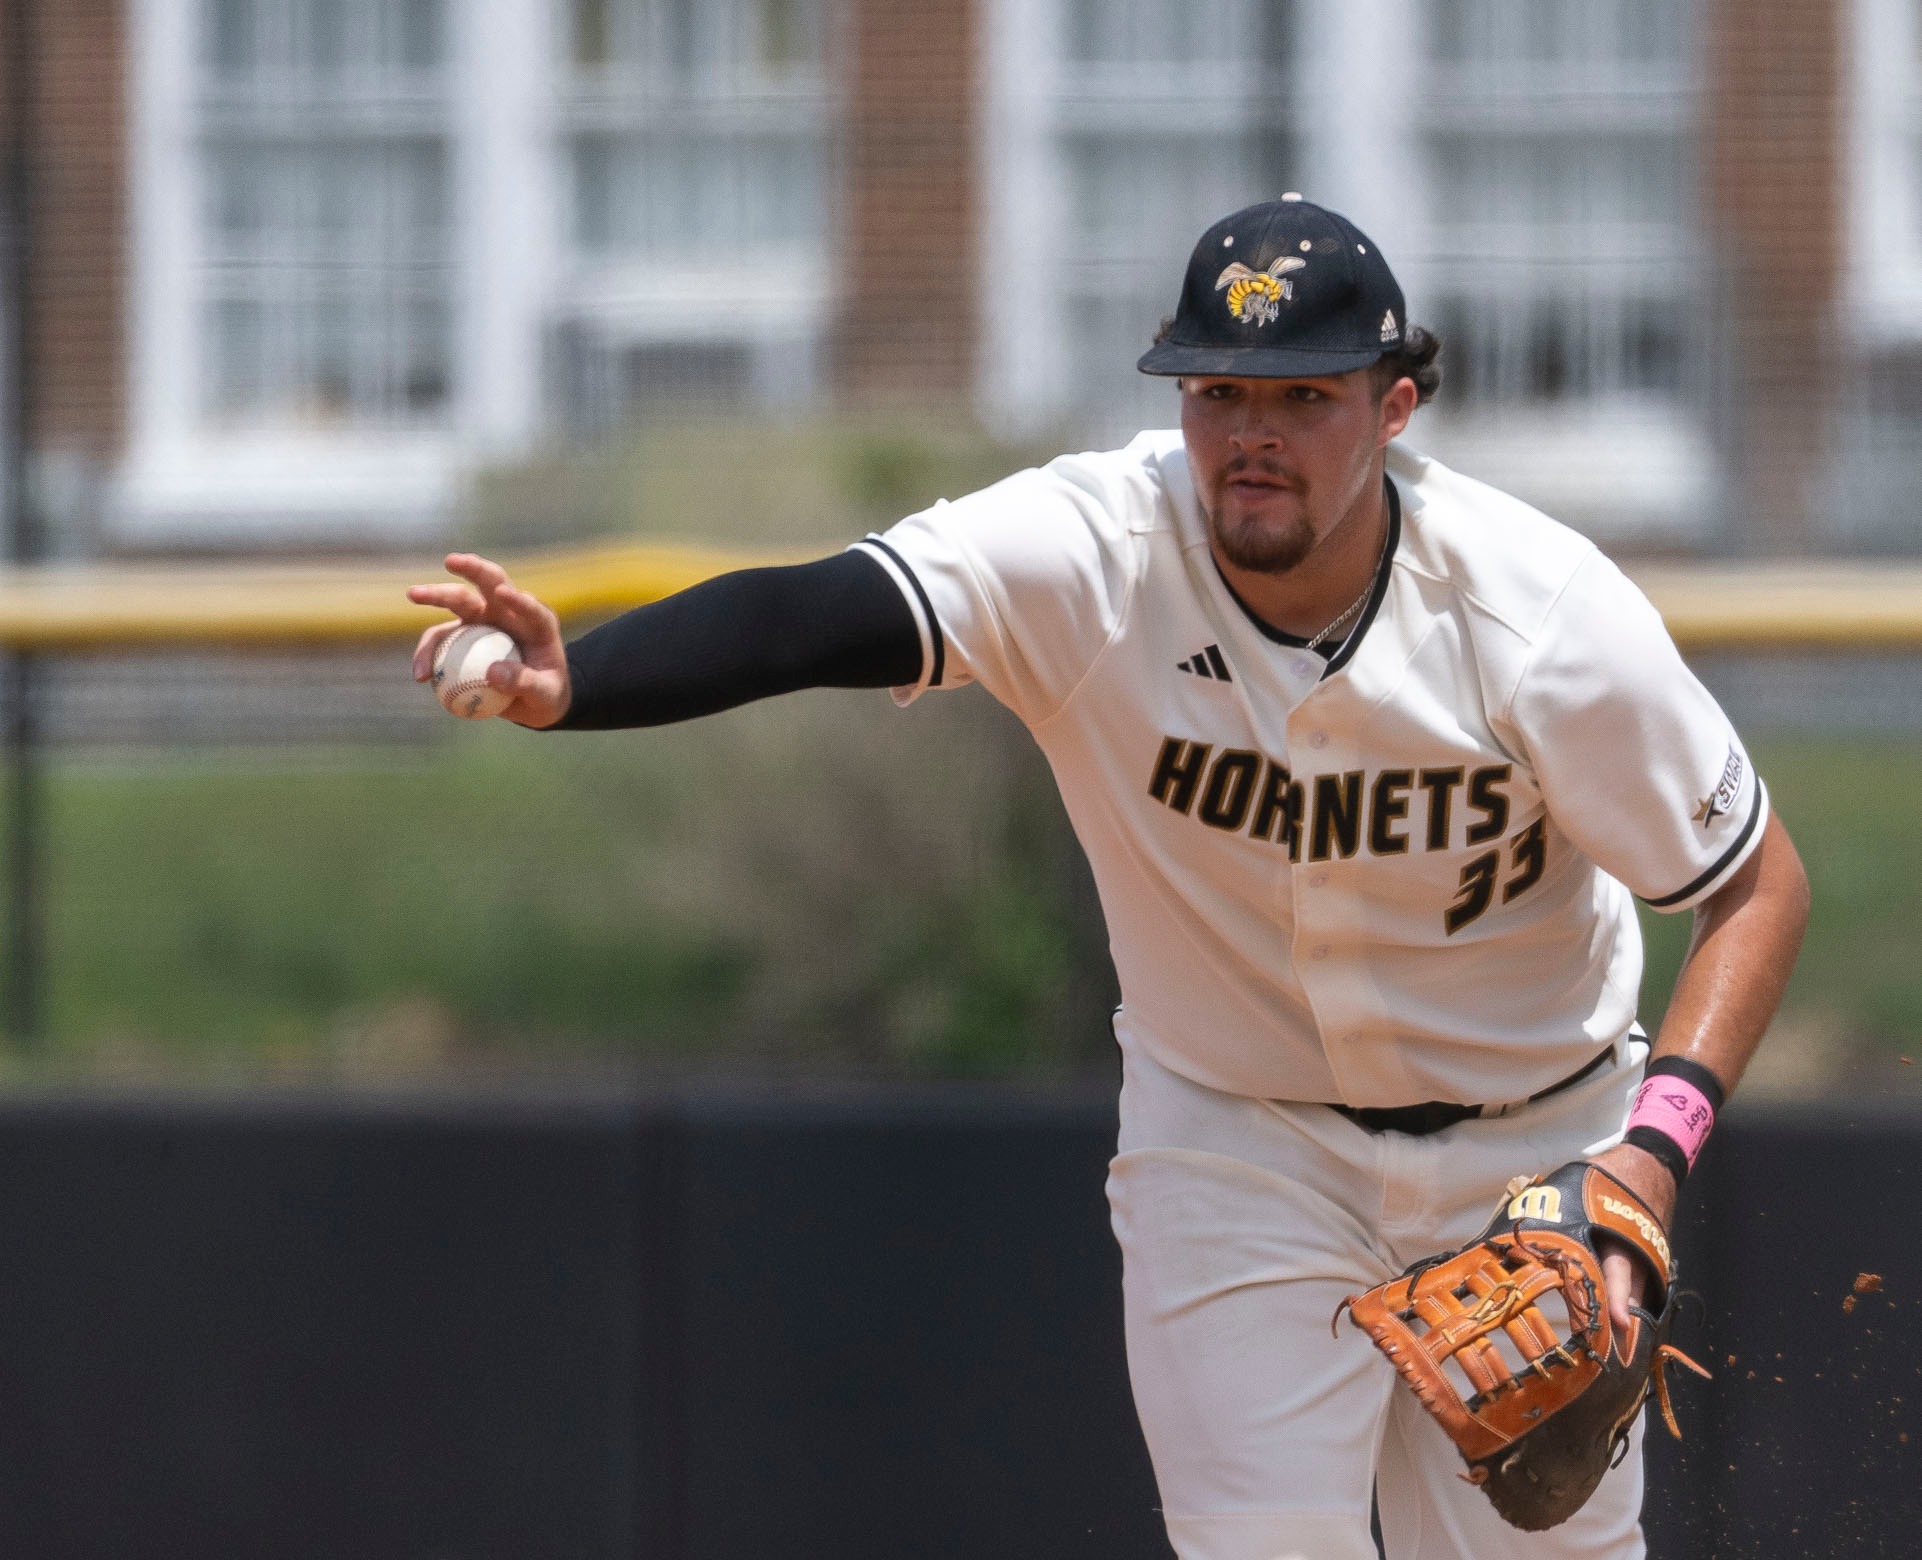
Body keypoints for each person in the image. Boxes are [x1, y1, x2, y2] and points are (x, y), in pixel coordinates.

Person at [408, 196, 1809, 1560]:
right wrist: (578, 678)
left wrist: (1652, 1145)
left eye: (1301, 399)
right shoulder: (1090, 550)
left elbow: (1752, 885)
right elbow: (814, 613)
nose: (1249, 439)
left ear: (1393, 407)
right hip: (1238, 1143)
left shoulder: (1536, 617)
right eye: (1214, 392)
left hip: (1535, 1144)